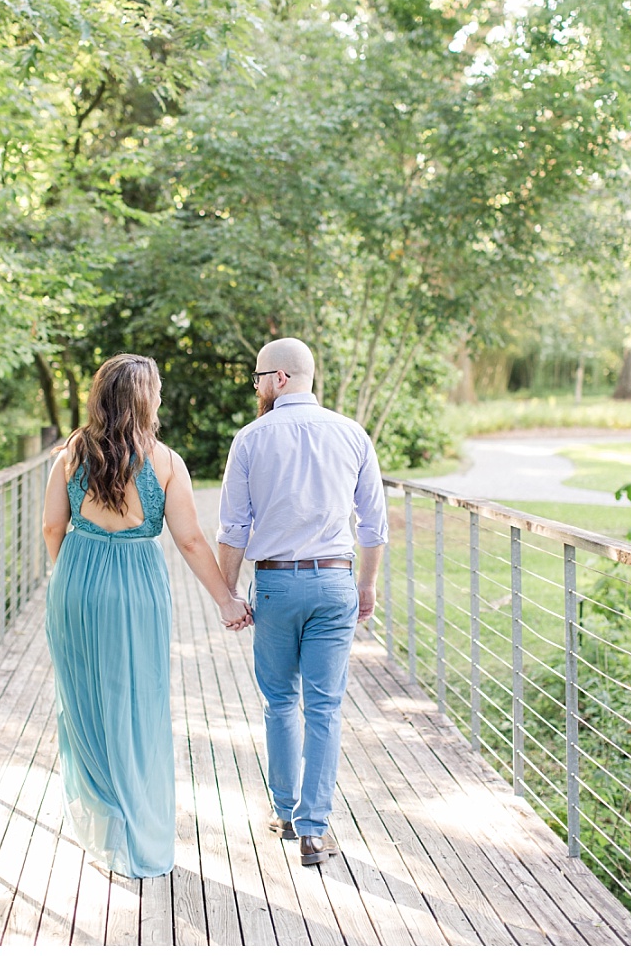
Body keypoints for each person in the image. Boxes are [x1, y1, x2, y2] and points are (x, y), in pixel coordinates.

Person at [42, 354, 252, 878]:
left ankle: (105, 818)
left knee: (83, 699)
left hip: (76, 579)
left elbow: (51, 529)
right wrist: (226, 599)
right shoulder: (164, 461)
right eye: (156, 390)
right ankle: (137, 826)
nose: (160, 397)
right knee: (137, 701)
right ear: (142, 398)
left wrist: (68, 577)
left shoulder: (70, 455)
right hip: (136, 585)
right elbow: (188, 539)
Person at [217, 337, 387, 867]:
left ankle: (285, 812)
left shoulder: (249, 439)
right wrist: (368, 585)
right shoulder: (352, 434)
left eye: (259, 378)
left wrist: (228, 593)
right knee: (326, 706)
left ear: (280, 379)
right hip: (336, 584)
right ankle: (315, 830)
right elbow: (374, 525)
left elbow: (233, 528)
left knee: (280, 702)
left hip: (275, 586)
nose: (257, 387)